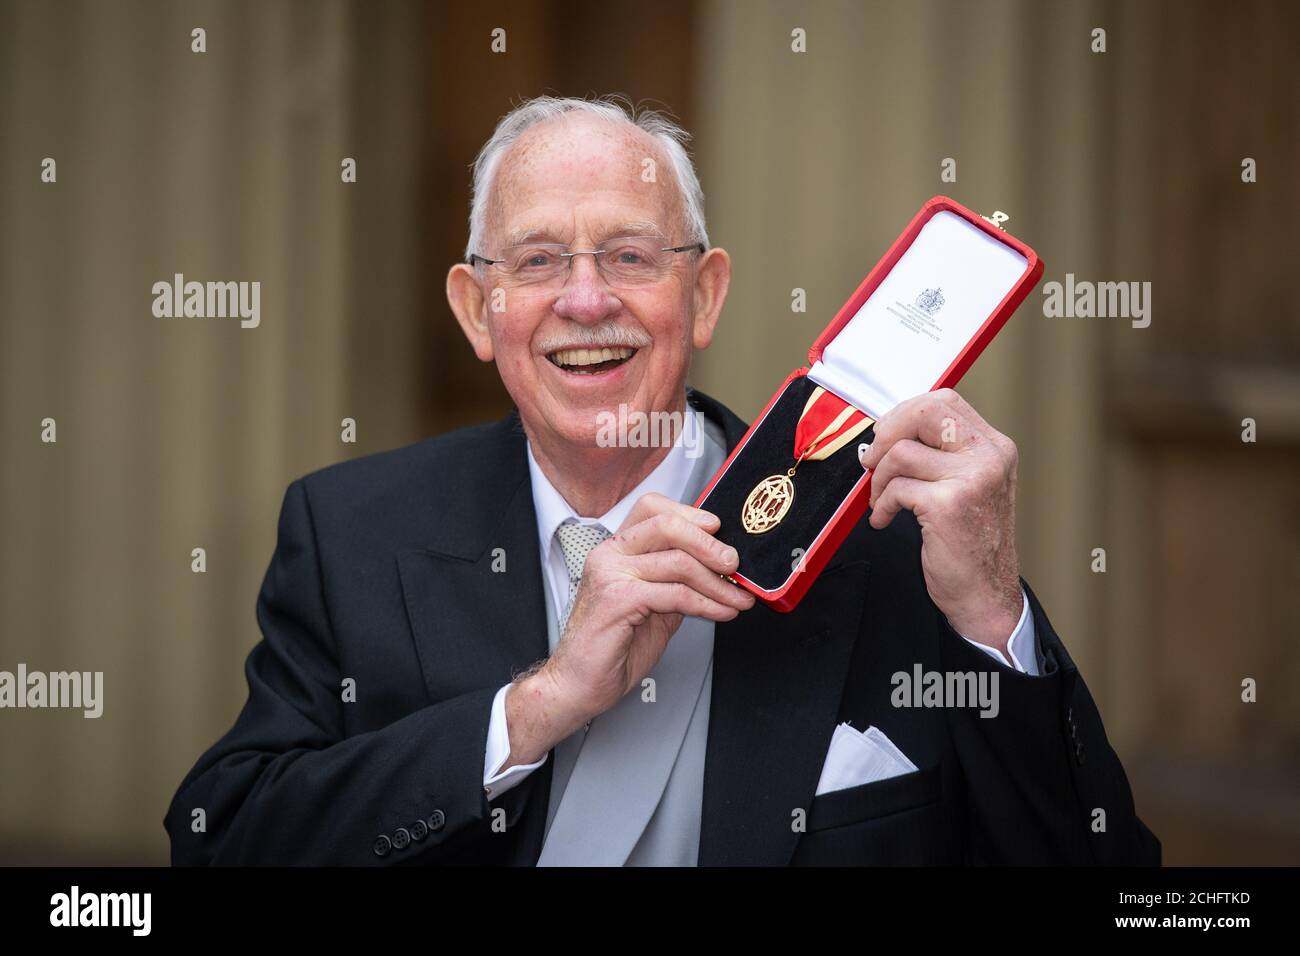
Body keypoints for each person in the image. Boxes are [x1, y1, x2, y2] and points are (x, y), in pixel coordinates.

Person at [165, 95, 1159, 866]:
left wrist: (989, 615)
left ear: (704, 292)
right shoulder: (352, 534)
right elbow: (222, 835)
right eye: (541, 259)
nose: (587, 299)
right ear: (477, 309)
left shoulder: (893, 544)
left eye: (631, 256)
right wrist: (541, 704)